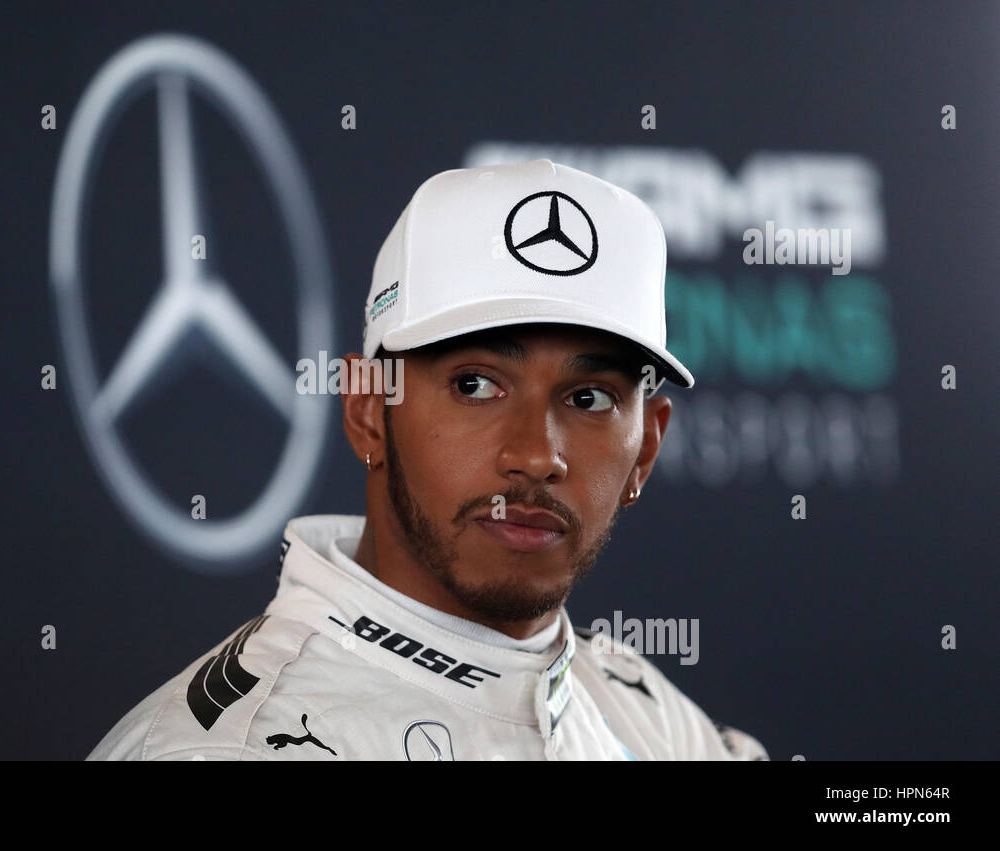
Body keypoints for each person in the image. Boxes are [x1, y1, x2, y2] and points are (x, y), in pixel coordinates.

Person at [88, 158, 768, 760]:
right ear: (365, 410)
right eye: (475, 384)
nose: (536, 454)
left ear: (646, 446)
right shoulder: (226, 750)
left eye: (588, 397)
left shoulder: (645, 711)